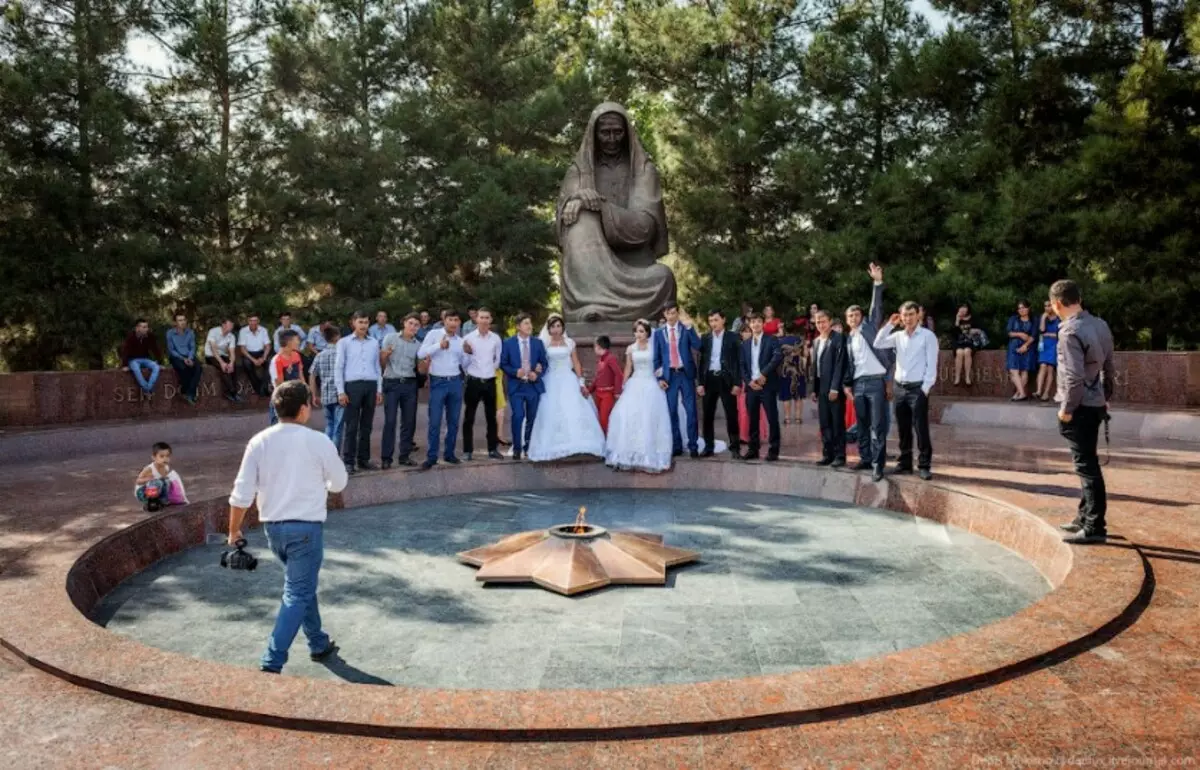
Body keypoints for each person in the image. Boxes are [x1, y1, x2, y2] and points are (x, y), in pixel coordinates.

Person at [228, 380, 347, 674]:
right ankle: (272, 662)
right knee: (297, 592)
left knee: (302, 587)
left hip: (273, 530)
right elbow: (339, 484)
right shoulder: (319, 441)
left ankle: (318, 642)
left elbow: (241, 493)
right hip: (306, 530)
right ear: (304, 409)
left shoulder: (259, 441)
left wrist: (233, 531)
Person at [1051, 281, 1115, 544]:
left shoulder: (1069, 332)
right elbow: (1110, 366)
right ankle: (1084, 515)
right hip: (1095, 403)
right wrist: (1105, 397)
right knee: (1088, 462)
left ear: (1057, 304)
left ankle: (1094, 526)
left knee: (1087, 466)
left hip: (1079, 406)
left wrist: (1067, 410)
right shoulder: (1099, 324)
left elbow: (1074, 378)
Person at [527, 314, 606, 461]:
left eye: (559, 326)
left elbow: (576, 363)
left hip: (567, 379)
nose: (556, 329)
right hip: (551, 379)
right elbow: (539, 361)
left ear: (562, 327)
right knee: (551, 409)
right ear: (549, 329)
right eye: (553, 326)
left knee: (573, 408)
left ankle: (580, 445)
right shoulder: (543, 343)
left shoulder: (569, 343)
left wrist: (580, 381)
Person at [874, 301, 938, 480]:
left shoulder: (927, 336)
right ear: (901, 317)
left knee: (920, 428)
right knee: (903, 428)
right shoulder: (898, 336)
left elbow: (932, 365)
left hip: (917, 388)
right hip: (900, 387)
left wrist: (925, 388)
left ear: (919, 315)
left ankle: (924, 465)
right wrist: (889, 325)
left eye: (911, 314)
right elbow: (878, 343)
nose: (908, 318)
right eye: (905, 315)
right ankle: (905, 463)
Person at [844, 263, 892, 482]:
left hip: (875, 383)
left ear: (861, 317)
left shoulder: (870, 327)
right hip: (859, 384)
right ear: (846, 320)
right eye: (850, 316)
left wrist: (877, 282)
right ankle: (865, 457)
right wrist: (848, 384)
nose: (853, 318)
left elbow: (876, 307)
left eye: (856, 315)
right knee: (862, 424)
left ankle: (877, 465)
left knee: (877, 425)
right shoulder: (849, 339)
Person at [605, 319, 675, 472]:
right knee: (627, 416)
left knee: (649, 417)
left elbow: (659, 364)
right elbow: (628, 368)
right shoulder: (631, 348)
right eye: (636, 331)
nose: (639, 334)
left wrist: (661, 378)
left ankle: (650, 455)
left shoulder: (654, 346)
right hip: (635, 383)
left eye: (642, 331)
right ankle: (629, 454)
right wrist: (623, 385)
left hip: (651, 383)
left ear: (648, 333)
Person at [417, 309, 467, 470]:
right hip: (438, 382)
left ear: (459, 323)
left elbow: (464, 364)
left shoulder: (461, 341)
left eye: (456, 320)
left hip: (455, 382)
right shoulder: (433, 334)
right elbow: (421, 353)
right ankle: (432, 457)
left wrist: (469, 353)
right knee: (435, 421)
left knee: (453, 421)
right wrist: (439, 345)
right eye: (450, 319)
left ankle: (449, 454)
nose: (453, 323)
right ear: (444, 320)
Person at [335, 311, 383, 474]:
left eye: (366, 322)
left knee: (367, 426)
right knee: (351, 426)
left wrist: (379, 389)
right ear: (353, 323)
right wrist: (341, 391)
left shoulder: (374, 343)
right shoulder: (344, 342)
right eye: (360, 322)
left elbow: (377, 367)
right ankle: (349, 461)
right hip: (352, 386)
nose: (363, 325)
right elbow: (339, 367)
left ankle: (363, 459)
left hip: (370, 385)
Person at [654, 303, 701, 458]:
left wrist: (691, 329)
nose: (672, 316)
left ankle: (693, 445)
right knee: (671, 411)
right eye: (669, 313)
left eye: (674, 313)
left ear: (678, 313)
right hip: (670, 377)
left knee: (691, 411)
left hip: (685, 374)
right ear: (664, 315)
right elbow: (657, 358)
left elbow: (698, 346)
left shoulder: (685, 329)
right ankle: (677, 445)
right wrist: (660, 378)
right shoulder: (659, 333)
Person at [499, 314, 548, 461]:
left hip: (533, 387)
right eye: (526, 323)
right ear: (518, 326)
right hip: (516, 387)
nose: (529, 326)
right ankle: (517, 448)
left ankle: (528, 447)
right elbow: (503, 363)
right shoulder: (508, 343)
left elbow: (544, 364)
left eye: (530, 323)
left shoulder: (538, 343)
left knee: (532, 417)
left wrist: (537, 374)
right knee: (518, 416)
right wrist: (515, 372)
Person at [378, 313, 421, 468]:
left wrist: (426, 364)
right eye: (411, 323)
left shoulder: (418, 344)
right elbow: (382, 362)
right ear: (404, 323)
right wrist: (384, 355)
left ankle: (404, 456)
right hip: (392, 382)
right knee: (390, 421)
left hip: (409, 383)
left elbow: (420, 368)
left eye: (416, 324)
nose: (413, 327)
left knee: (409, 421)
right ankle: (386, 458)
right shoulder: (390, 338)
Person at [697, 309, 741, 458]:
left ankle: (735, 447)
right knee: (708, 415)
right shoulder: (705, 338)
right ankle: (708, 446)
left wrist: (737, 383)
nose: (713, 324)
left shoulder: (733, 337)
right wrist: (700, 383)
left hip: (726, 380)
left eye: (716, 320)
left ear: (723, 320)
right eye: (710, 321)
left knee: (731, 414)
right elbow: (701, 362)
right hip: (709, 379)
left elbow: (738, 362)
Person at [461, 308, 503, 461]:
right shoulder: (468, 338)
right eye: (481, 317)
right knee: (469, 418)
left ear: (490, 320)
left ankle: (492, 449)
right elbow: (464, 363)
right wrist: (469, 355)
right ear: (476, 319)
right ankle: (467, 451)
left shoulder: (496, 339)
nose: (484, 320)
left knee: (491, 417)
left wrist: (490, 370)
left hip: (490, 381)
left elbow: (498, 359)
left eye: (487, 317)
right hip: (473, 381)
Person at [740, 313, 783, 461]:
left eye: (758, 321)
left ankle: (774, 449)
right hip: (752, 386)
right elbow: (742, 366)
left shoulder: (771, 339)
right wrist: (748, 381)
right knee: (753, 418)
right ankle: (753, 449)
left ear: (763, 323)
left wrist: (764, 374)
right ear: (750, 324)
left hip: (767, 385)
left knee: (772, 418)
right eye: (753, 322)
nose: (755, 324)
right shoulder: (745, 344)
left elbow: (777, 357)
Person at [810, 310, 847, 467]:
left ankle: (840, 455)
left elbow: (840, 365)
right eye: (818, 322)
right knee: (824, 423)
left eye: (823, 321)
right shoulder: (817, 341)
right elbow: (814, 367)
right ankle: (828, 454)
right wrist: (814, 389)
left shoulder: (838, 339)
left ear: (830, 321)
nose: (821, 324)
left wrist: (834, 388)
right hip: (822, 388)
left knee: (837, 423)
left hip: (834, 390)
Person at [308, 326, 345, 452]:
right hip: (340, 395)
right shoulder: (342, 354)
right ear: (337, 337)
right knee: (338, 428)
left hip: (325, 395)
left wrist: (314, 394)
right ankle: (334, 456)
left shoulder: (320, 355)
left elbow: (312, 375)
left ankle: (326, 454)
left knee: (329, 425)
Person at [135, 442, 189, 512]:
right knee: (157, 482)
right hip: (142, 492)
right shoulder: (149, 469)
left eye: (167, 456)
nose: (165, 459)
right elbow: (138, 481)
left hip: (155, 489)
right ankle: (150, 503)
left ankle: (162, 501)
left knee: (166, 481)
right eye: (162, 456)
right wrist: (148, 479)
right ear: (154, 457)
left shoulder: (166, 467)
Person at [588, 335, 624, 436]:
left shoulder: (610, 358)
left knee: (604, 418)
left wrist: (617, 391)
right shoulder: (601, 359)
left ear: (599, 346)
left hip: (607, 394)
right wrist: (589, 390)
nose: (594, 349)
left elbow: (618, 374)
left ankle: (607, 438)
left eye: (595, 346)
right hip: (599, 393)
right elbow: (598, 377)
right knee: (599, 417)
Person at [269, 331, 304, 425]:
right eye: (297, 339)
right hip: (282, 398)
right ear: (289, 342)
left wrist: (305, 390)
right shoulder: (277, 360)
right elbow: (279, 385)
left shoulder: (296, 355)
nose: (299, 342)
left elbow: (300, 375)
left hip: (295, 395)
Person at [165, 313, 202, 404]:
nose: (182, 322)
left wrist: (189, 358)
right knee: (183, 368)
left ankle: (189, 393)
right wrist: (183, 359)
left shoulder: (190, 332)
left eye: (184, 320)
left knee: (198, 368)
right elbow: (171, 350)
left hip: (189, 355)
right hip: (176, 356)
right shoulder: (170, 333)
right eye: (180, 320)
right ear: (175, 323)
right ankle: (188, 392)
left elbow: (192, 348)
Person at [120, 319, 163, 395]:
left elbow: (155, 349)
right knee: (136, 369)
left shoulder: (150, 336)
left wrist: (159, 362)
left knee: (156, 367)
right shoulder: (131, 337)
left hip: (145, 359)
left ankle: (147, 389)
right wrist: (124, 365)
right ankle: (148, 389)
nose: (146, 329)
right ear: (137, 328)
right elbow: (125, 351)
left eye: (146, 327)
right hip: (133, 360)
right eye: (144, 327)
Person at [1006, 300, 1038, 401]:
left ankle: (1019, 393)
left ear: (1028, 308)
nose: (1021, 310)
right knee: (1013, 370)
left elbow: (1034, 335)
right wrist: (1020, 334)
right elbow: (1009, 333)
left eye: (1023, 307)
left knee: (1024, 371)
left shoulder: (1034, 320)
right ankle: (1022, 393)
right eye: (1019, 308)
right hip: (1014, 346)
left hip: (1028, 347)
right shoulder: (1013, 319)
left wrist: (1025, 346)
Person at [204, 318, 240, 402]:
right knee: (223, 368)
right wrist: (222, 363)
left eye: (232, 325)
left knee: (233, 366)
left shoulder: (231, 336)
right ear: (223, 325)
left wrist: (231, 363)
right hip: (211, 355)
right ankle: (231, 392)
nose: (231, 327)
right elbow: (213, 349)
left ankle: (234, 392)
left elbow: (232, 352)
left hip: (223, 355)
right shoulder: (213, 332)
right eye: (229, 325)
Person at [237, 314, 272, 396]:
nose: (253, 323)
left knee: (271, 363)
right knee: (247, 364)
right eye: (251, 321)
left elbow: (268, 346)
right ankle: (258, 387)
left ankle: (264, 386)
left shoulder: (263, 330)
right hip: (248, 354)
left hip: (261, 353)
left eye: (255, 320)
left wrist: (263, 358)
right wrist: (254, 360)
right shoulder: (243, 331)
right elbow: (242, 349)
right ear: (248, 321)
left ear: (258, 321)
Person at [776, 322, 804, 425]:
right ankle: (798, 418)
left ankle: (787, 418)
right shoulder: (800, 340)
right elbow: (805, 354)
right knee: (798, 395)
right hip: (798, 371)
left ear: (785, 330)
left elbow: (777, 357)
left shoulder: (780, 341)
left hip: (785, 371)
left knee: (786, 396)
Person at [1036, 300, 1060, 402]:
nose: (1047, 308)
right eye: (1045, 306)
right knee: (1042, 366)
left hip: (1054, 345)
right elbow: (1041, 331)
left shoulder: (1059, 318)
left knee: (1050, 368)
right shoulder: (1043, 317)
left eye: (1049, 305)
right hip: (1043, 344)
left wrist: (1049, 335)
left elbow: (1060, 335)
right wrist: (1043, 318)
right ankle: (1038, 391)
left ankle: (1046, 393)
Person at [952, 304, 978, 387]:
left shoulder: (973, 318)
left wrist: (975, 330)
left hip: (970, 342)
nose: (963, 309)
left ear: (968, 309)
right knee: (959, 352)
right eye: (961, 308)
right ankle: (957, 377)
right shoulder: (957, 318)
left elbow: (980, 328)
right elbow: (954, 334)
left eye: (965, 308)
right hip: (959, 343)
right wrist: (957, 320)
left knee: (967, 351)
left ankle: (967, 377)